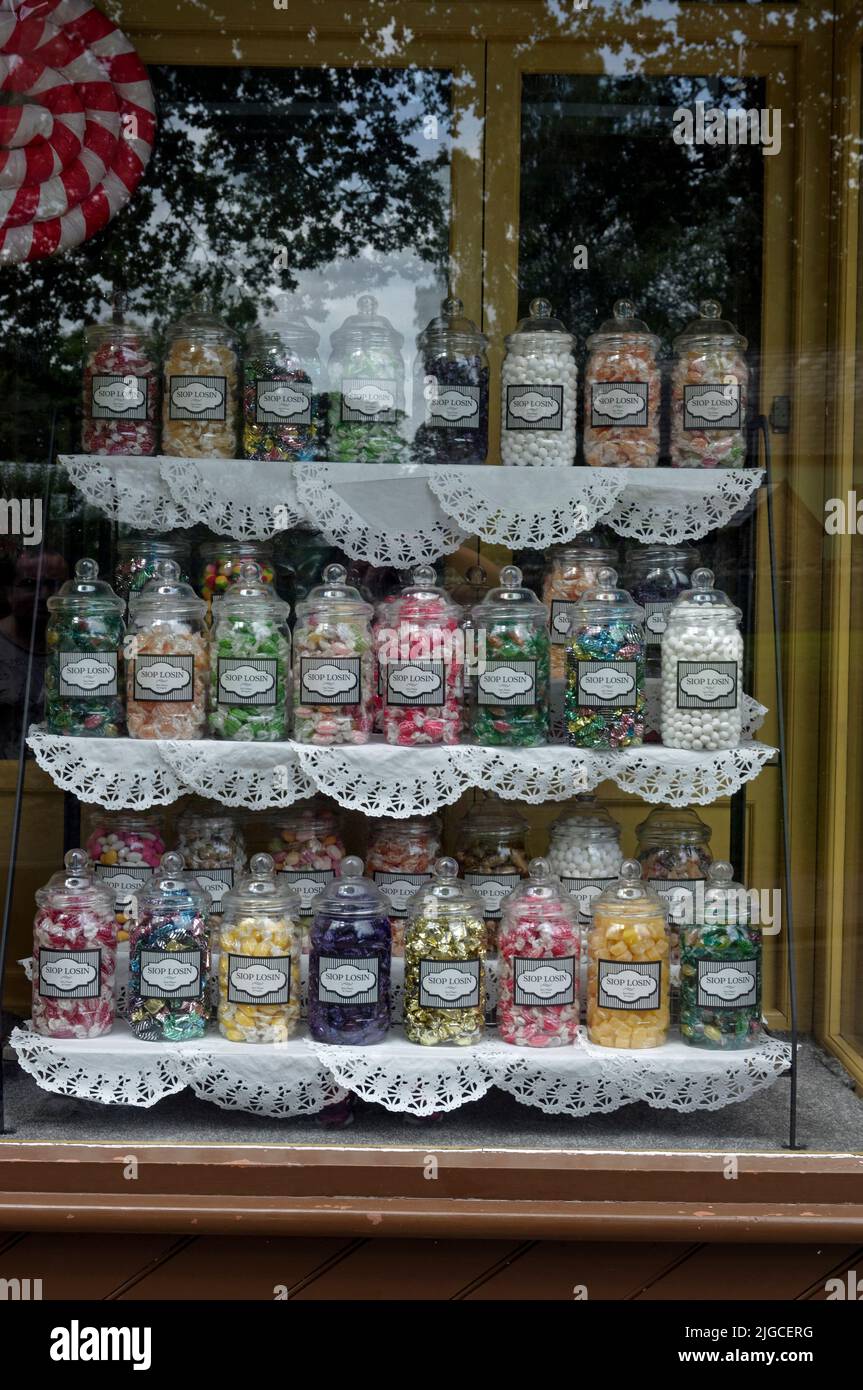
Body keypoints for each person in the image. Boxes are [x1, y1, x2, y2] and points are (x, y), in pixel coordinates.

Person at [0, 547, 68, 759]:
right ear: (8, 593)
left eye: (53, 585)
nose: (43, 596)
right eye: (30, 584)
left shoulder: (84, 648)